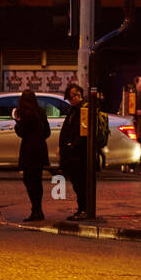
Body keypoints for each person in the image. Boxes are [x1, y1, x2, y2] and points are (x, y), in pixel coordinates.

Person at [14, 89, 50, 222]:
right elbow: (47, 132)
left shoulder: (24, 113)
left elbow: (21, 132)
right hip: (40, 148)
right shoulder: (40, 111)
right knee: (37, 180)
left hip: (29, 149)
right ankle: (38, 210)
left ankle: (36, 210)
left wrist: (17, 123)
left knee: (29, 180)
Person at [58, 82, 87, 219]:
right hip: (72, 153)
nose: (70, 100)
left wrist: (72, 146)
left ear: (77, 95)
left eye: (71, 97)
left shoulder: (83, 110)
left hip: (78, 155)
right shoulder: (73, 110)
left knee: (80, 183)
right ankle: (81, 209)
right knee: (77, 183)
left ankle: (84, 209)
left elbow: (82, 133)